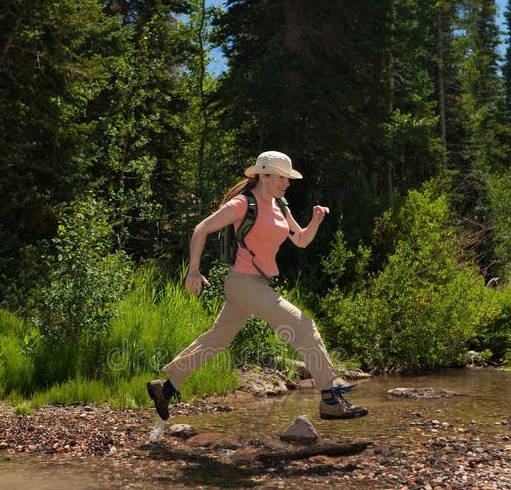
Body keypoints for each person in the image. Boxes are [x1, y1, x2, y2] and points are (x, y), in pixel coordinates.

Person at [146, 150, 368, 421]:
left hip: (255, 285)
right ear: (263, 175)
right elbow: (201, 228)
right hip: (243, 283)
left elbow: (300, 240)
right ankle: (330, 397)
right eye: (281, 177)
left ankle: (166, 389)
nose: (286, 183)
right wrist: (193, 271)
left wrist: (316, 221)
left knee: (216, 340)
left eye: (288, 178)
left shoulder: (280, 206)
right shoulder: (243, 203)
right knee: (303, 326)